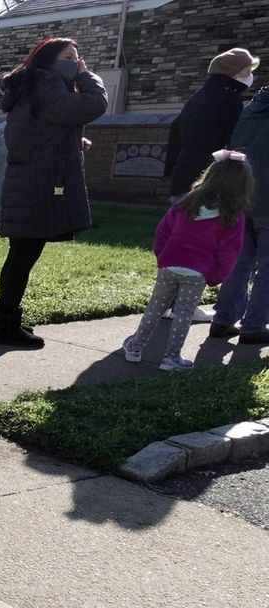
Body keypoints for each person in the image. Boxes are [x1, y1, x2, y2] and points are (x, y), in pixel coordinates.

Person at [0, 38, 107, 348]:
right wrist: (88, 78)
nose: (76, 62)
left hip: (29, 180)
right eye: (69, 57)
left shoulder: (33, 87)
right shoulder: (46, 83)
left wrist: (69, 142)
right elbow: (94, 104)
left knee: (22, 254)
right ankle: (4, 327)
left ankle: (7, 320)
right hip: (37, 185)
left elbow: (31, 135)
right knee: (23, 255)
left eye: (79, 57)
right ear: (48, 60)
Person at [123, 152, 252, 370]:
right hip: (198, 272)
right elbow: (230, 251)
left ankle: (135, 347)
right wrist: (217, 276)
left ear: (210, 175)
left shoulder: (186, 203)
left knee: (155, 308)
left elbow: (162, 232)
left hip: (169, 265)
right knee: (183, 315)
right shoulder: (232, 216)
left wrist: (161, 256)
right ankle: (171, 357)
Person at [212, 82, 269, 344]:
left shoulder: (250, 110)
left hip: (242, 196)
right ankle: (255, 325)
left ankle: (223, 319)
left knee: (239, 263)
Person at [168, 49, 258, 202]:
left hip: (183, 172)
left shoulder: (197, 97)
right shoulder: (230, 98)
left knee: (181, 220)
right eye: (247, 71)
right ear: (233, 72)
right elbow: (235, 138)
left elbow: (176, 133)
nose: (250, 76)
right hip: (211, 175)